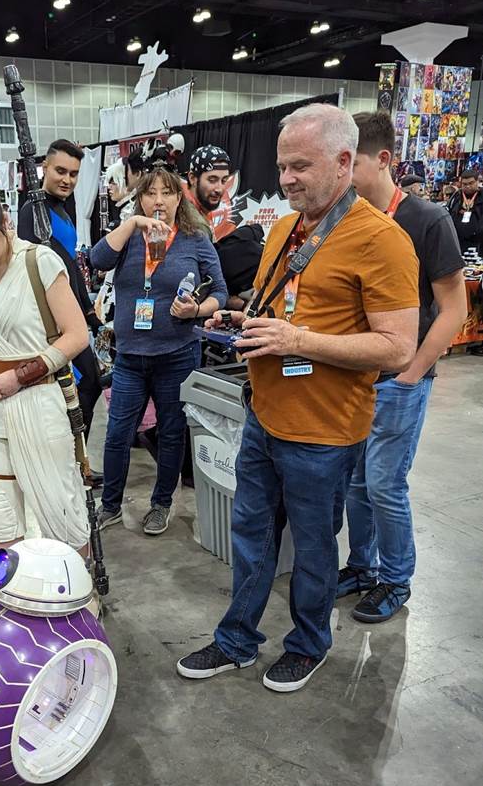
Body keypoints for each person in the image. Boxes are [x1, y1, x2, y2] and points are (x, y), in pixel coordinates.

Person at [177, 103, 420, 693]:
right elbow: (276, 308)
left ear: (343, 162)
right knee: (250, 535)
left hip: (326, 433)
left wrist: (297, 340)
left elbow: (397, 348)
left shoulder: (383, 240)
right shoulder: (283, 229)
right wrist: (242, 324)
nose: (286, 179)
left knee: (313, 548)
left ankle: (308, 643)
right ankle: (237, 640)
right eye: (282, 166)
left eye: (300, 167)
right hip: (263, 414)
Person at [334, 112, 466, 621]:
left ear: (383, 160)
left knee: (385, 483)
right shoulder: (346, 219)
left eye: (354, 164)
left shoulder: (427, 219)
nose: (344, 175)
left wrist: (412, 372)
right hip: (357, 378)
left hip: (401, 381)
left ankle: (396, 579)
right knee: (357, 483)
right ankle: (363, 566)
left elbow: (452, 308)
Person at [0, 181, 90, 571]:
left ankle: (78, 600)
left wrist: (20, 377)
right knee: (0, 516)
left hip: (38, 402)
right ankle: (17, 598)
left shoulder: (39, 262)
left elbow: (77, 335)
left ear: (5, 223)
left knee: (61, 510)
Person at [90, 166, 227, 536]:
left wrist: (197, 310)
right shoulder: (129, 236)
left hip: (177, 354)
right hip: (131, 357)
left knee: (171, 431)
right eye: (150, 193)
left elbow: (221, 294)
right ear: (140, 199)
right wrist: (132, 224)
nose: (158, 200)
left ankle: (162, 504)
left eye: (167, 192)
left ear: (178, 198)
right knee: (118, 432)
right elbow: (97, 261)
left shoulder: (195, 238)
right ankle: (111, 506)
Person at [17, 139, 101, 436]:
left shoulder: (63, 209)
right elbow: (39, 267)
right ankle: (72, 465)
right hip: (51, 320)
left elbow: (69, 268)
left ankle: (78, 463)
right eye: (61, 171)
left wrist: (89, 315)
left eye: (74, 173)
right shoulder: (32, 212)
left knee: (86, 387)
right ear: (45, 168)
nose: (67, 179)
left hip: (70, 314)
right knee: (82, 386)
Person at [186, 144, 263, 309]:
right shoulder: (190, 219)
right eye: (212, 180)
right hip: (198, 291)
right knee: (253, 251)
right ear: (192, 178)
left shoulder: (203, 211)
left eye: (224, 180)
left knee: (254, 232)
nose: (219, 189)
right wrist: (228, 302)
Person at [447, 169, 483, 261]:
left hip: (479, 243)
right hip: (458, 243)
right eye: (464, 184)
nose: (467, 186)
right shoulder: (456, 197)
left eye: (471, 183)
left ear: (477, 181)